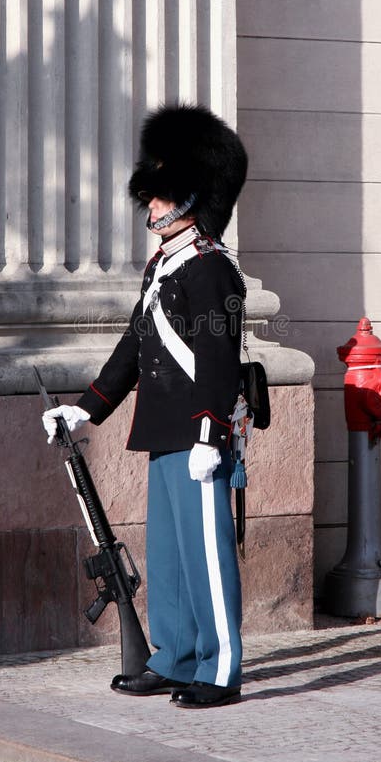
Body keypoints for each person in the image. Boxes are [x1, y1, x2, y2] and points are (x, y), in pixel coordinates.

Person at [42, 103, 248, 708]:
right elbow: (135, 343)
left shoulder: (211, 269)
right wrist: (86, 409)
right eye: (151, 196)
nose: (151, 208)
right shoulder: (165, 266)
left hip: (199, 434)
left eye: (162, 197)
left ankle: (219, 669)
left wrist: (212, 435)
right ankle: (176, 657)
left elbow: (217, 358)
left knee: (207, 559)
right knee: (170, 557)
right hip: (164, 429)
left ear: (191, 198)